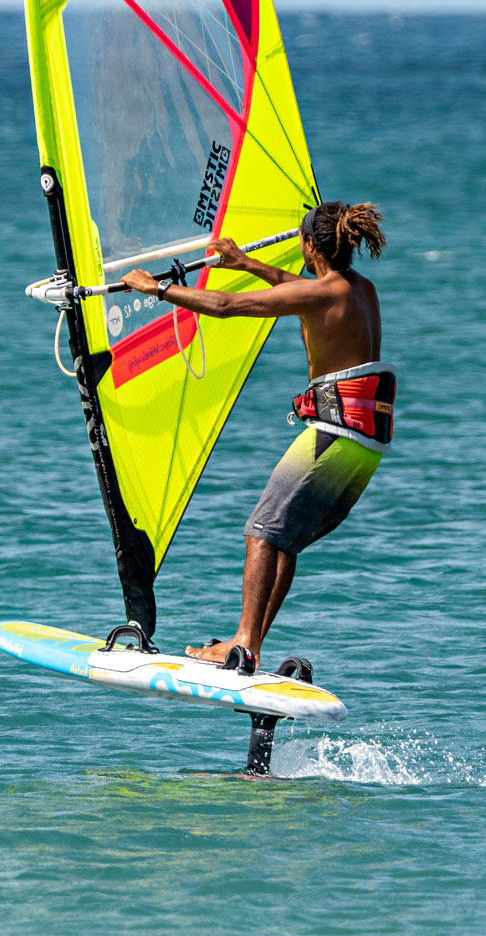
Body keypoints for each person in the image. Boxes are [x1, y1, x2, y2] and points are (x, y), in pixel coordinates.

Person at [119, 201, 395, 675]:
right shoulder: (360, 289)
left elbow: (227, 307)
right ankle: (249, 646)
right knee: (282, 540)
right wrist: (246, 263)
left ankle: (242, 645)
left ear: (309, 246)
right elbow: (300, 290)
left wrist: (158, 289)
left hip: (331, 435)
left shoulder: (321, 295)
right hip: (364, 447)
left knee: (261, 529)